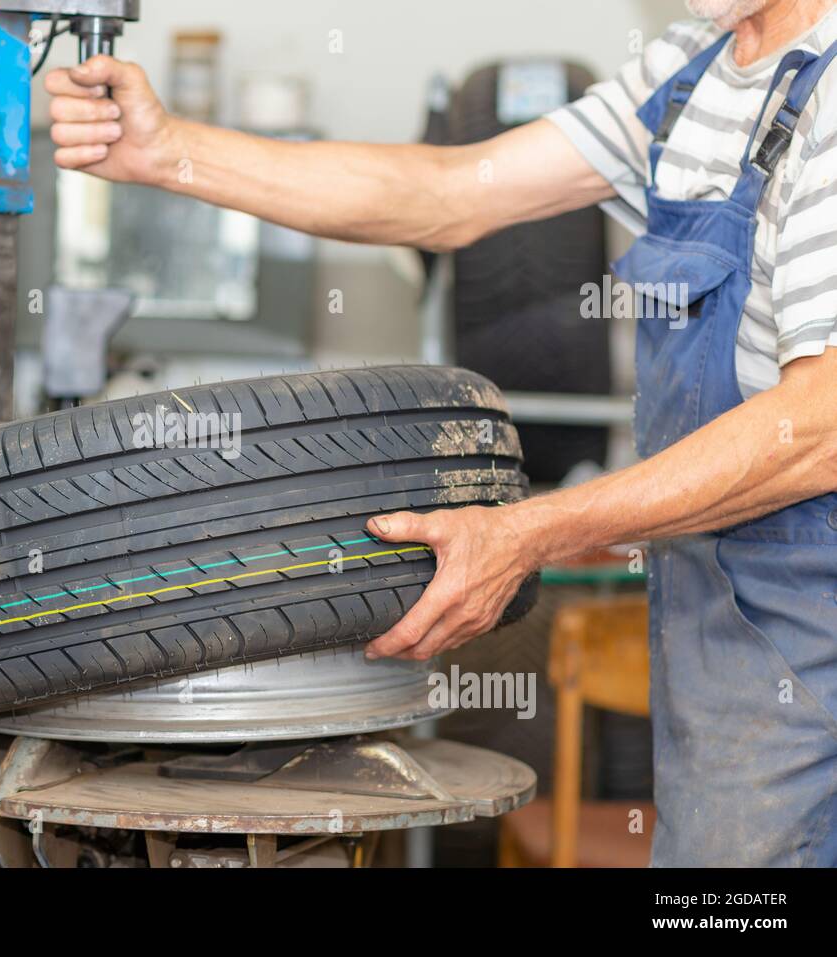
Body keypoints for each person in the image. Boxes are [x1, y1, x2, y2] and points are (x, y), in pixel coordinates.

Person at [45, 0, 837, 867]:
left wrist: (530, 529)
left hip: (810, 613)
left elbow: (820, 425)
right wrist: (172, 153)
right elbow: (450, 193)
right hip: (714, 604)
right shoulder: (691, 70)